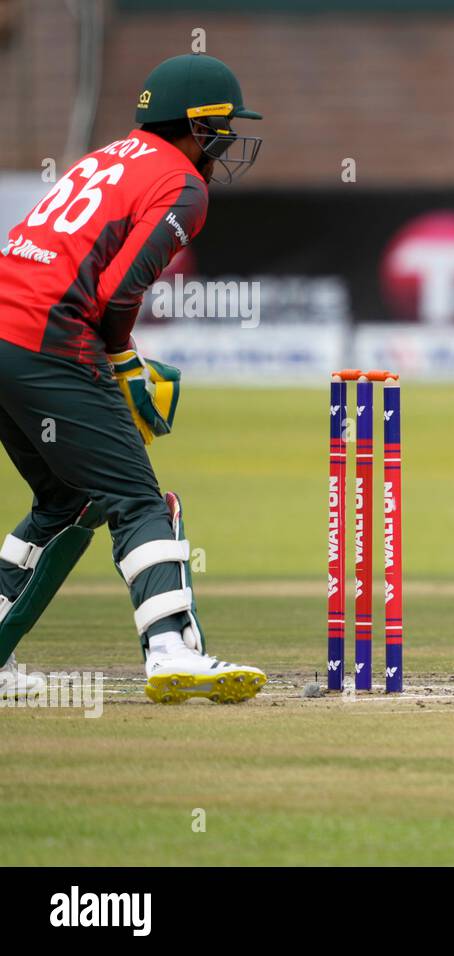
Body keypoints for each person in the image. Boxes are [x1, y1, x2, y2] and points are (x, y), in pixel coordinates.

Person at [0, 54, 267, 703]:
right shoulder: (184, 185)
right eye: (223, 127)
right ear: (196, 127)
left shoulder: (109, 156)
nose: (229, 140)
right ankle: (172, 650)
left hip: (6, 328)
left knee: (66, 502)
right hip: (48, 337)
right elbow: (119, 290)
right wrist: (122, 362)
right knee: (137, 501)